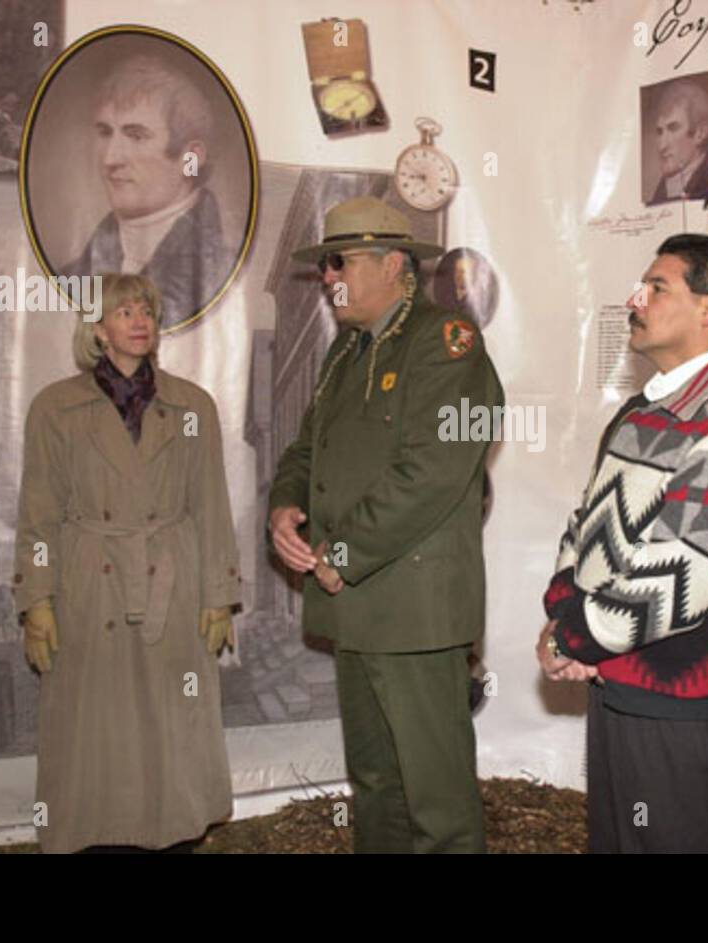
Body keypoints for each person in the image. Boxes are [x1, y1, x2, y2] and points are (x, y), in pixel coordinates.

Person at [537, 234, 708, 853]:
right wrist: (562, 620)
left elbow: (680, 581)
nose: (637, 298)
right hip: (620, 687)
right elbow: (584, 528)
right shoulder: (642, 413)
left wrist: (573, 637)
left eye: (657, 287)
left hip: (685, 711)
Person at [268, 197, 504, 853]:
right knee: (376, 786)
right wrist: (285, 505)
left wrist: (343, 549)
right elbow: (305, 451)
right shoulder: (346, 351)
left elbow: (433, 469)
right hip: (355, 604)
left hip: (415, 610)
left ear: (394, 263)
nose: (327, 275)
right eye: (325, 263)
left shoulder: (447, 342)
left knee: (437, 802)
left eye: (339, 260)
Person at [14, 272, 241, 853]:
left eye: (146, 310)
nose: (139, 321)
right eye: (124, 312)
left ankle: (175, 834)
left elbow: (211, 503)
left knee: (172, 716)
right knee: (95, 726)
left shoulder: (193, 405)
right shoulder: (55, 408)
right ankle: (102, 838)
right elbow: (38, 512)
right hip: (91, 584)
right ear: (98, 329)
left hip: (172, 580)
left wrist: (219, 592)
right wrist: (36, 600)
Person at [62, 55, 232, 329]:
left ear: (191, 158)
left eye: (136, 136)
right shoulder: (69, 280)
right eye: (105, 133)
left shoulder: (226, 279)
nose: (110, 159)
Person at [649, 80, 708, 203]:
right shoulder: (664, 188)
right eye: (659, 132)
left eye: (673, 128)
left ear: (700, 134)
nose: (662, 146)